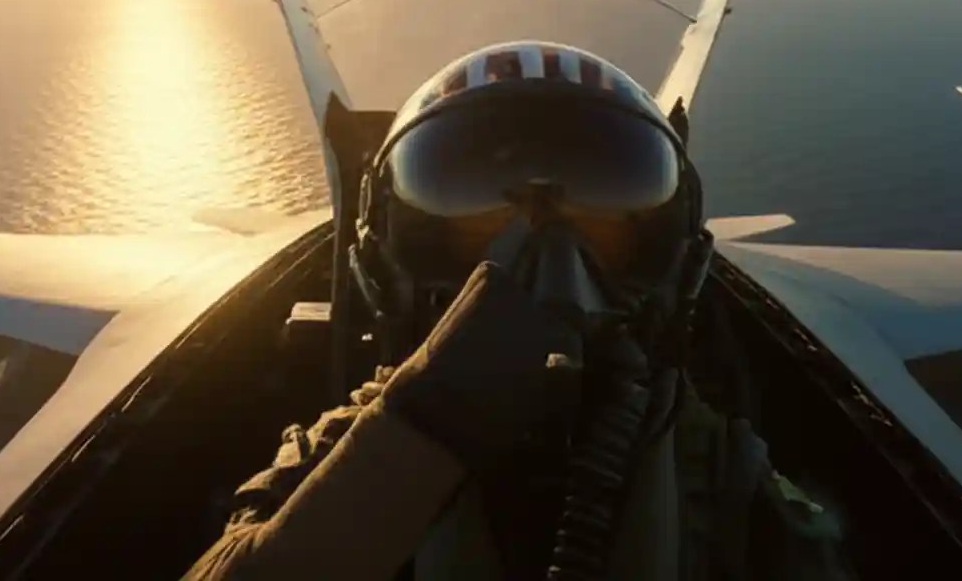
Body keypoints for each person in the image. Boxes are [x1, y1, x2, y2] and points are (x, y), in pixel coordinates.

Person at [184, 42, 855, 581]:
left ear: (673, 261)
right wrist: (420, 428)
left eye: (600, 227)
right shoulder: (335, 458)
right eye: (483, 229)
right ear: (387, 265)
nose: (552, 280)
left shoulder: (729, 483)